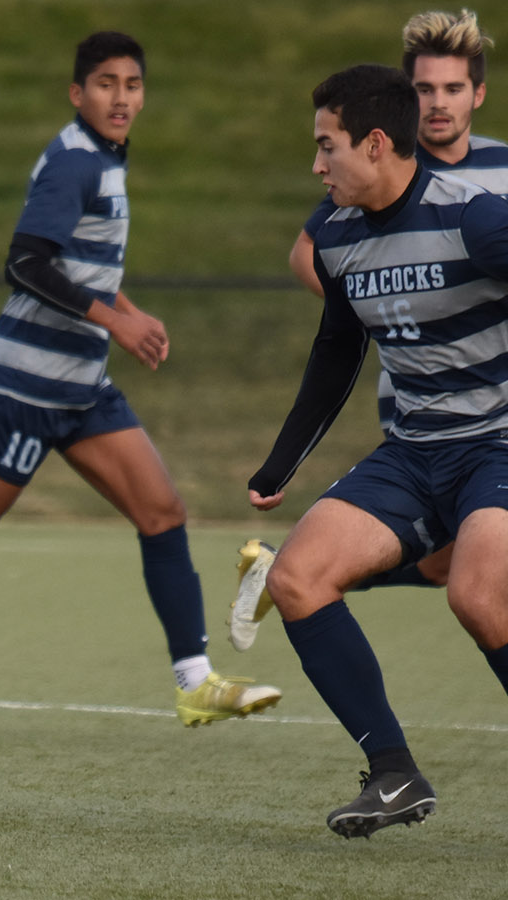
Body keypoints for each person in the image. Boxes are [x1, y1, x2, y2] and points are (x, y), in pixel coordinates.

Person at [0, 31, 281, 727]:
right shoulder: (76, 162)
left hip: (81, 385)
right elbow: (26, 263)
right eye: (106, 84)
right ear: (78, 93)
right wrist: (116, 322)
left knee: (162, 513)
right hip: (25, 387)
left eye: (132, 84)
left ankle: (196, 683)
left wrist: (125, 310)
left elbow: (77, 263)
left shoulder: (105, 158)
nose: (121, 97)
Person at [248, 63, 508, 837]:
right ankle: (394, 774)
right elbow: (337, 352)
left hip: (498, 444)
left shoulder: (474, 218)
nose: (317, 164)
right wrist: (282, 462)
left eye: (326, 146)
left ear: (373, 144)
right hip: (415, 452)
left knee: (477, 597)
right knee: (296, 578)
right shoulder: (335, 235)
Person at [232, 8, 502, 651]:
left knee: (458, 573)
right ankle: (299, 572)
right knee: (463, 572)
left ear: (478, 94)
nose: (438, 102)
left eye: (453, 88)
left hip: (493, 417)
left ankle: (288, 570)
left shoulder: (493, 182)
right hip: (416, 414)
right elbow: (322, 267)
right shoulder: (364, 179)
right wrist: (390, 304)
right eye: (425, 89)